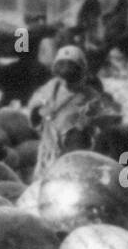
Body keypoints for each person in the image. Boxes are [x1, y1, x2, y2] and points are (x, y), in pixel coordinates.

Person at [27, 44, 120, 175]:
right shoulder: (49, 89)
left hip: (78, 153)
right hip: (49, 154)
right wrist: (42, 111)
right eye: (62, 77)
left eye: (71, 78)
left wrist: (91, 119)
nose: (66, 83)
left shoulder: (91, 94)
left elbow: (108, 116)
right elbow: (34, 112)